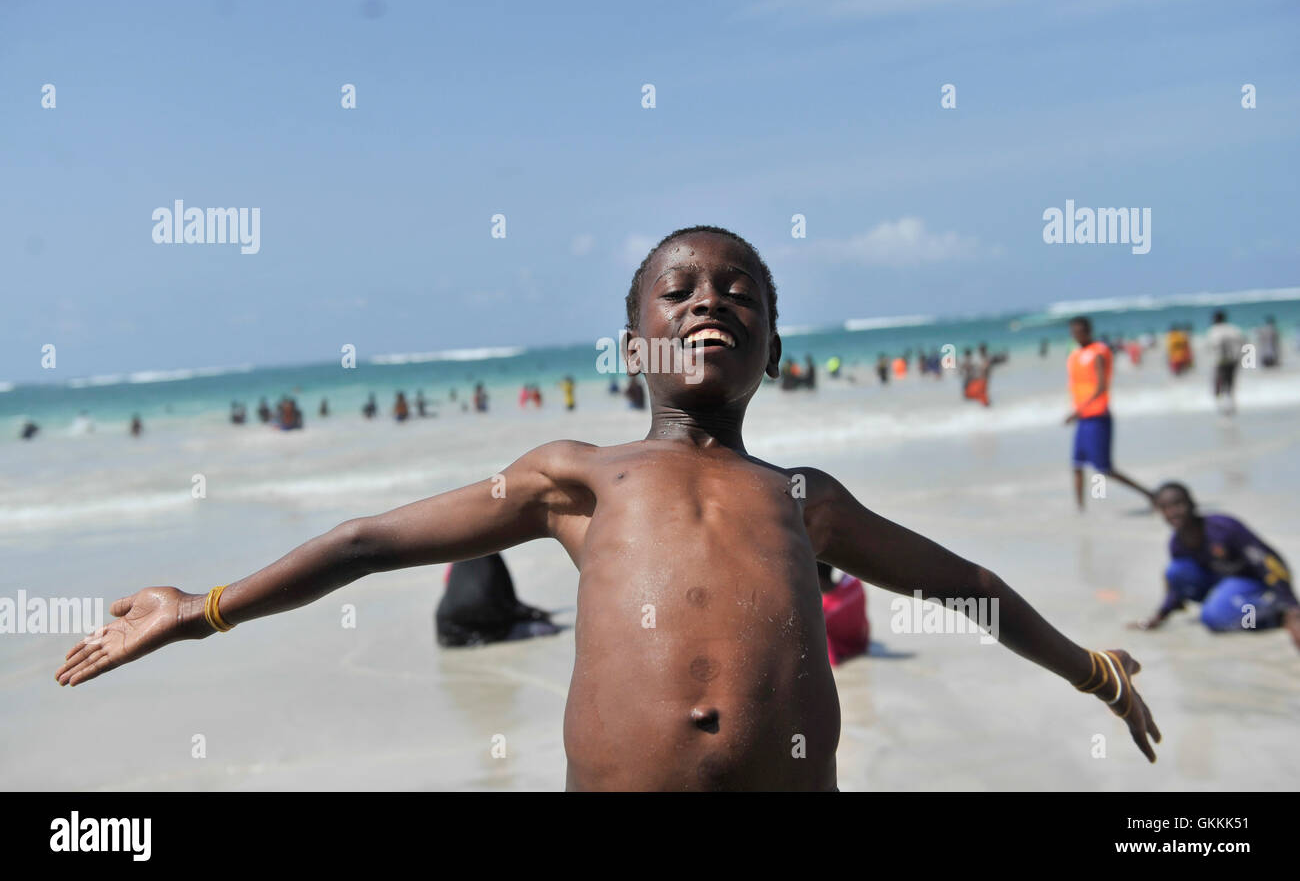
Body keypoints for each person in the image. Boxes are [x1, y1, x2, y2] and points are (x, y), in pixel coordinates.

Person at [56, 226, 1159, 790]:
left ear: (774, 346)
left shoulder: (803, 499)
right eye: (678, 292)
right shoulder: (577, 478)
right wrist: (201, 607)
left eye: (740, 295)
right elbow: (367, 541)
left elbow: (964, 586)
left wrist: (1094, 672)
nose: (709, 302)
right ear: (632, 341)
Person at [1130, 483, 1300, 649]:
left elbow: (1266, 562)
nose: (1173, 512)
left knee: (1213, 618)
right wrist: (1160, 616)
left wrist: (1292, 606)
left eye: (1178, 504)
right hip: (1223, 582)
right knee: (1175, 571)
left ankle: (1275, 613)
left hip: (1254, 580)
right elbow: (1177, 586)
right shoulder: (1177, 543)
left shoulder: (1224, 528)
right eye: (1166, 507)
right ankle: (1226, 606)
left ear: (1192, 503)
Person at [1064, 316, 1153, 509]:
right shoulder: (1075, 354)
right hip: (1083, 418)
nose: (1077, 335)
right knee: (1077, 464)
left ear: (1088, 330)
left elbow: (1101, 386)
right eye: (1074, 331)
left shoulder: (1098, 351)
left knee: (1102, 469)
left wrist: (1078, 411)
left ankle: (1148, 495)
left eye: (1080, 330)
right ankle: (1081, 510)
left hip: (1097, 416)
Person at [435, 553, 559, 647]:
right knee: (548, 629)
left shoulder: (461, 554)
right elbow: (499, 607)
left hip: (444, 633)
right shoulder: (490, 556)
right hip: (474, 633)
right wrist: (534, 614)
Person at [817, 563, 870, 667]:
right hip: (863, 642)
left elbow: (831, 663)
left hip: (845, 651)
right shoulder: (854, 583)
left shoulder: (822, 613)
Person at [1205, 310, 1246, 415]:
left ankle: (1220, 407)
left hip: (1220, 361)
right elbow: (1244, 342)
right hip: (1233, 360)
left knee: (1218, 384)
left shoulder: (1213, 330)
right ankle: (1231, 405)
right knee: (1230, 384)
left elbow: (1210, 346)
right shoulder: (1233, 329)